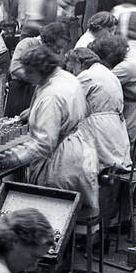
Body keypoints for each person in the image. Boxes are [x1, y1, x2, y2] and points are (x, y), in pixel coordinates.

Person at [13, 40, 100, 216]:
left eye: (30, 72)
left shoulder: (51, 97)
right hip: (80, 150)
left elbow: (45, 144)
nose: (26, 75)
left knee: (54, 215)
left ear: (43, 69)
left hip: (61, 162)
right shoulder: (67, 77)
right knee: (71, 213)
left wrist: (14, 158)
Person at [65, 41, 131, 173]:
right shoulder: (107, 72)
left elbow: (67, 100)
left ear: (80, 63)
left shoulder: (87, 75)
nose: (72, 73)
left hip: (99, 127)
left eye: (72, 69)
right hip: (115, 125)